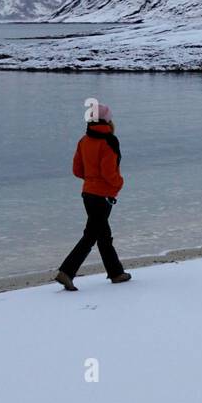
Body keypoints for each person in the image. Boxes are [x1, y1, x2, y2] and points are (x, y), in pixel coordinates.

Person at [56, 103, 131, 290]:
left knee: (103, 236)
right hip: (103, 196)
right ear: (107, 120)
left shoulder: (84, 140)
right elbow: (108, 173)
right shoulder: (109, 141)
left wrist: (91, 179)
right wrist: (119, 183)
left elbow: (77, 170)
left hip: (88, 193)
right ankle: (66, 271)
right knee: (91, 236)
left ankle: (116, 273)